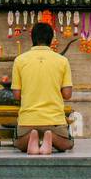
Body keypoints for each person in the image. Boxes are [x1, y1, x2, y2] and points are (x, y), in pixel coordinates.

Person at [11, 20, 74, 156]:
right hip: (54, 120)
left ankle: (32, 138)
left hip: (28, 120)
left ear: (32, 38)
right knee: (68, 144)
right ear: (51, 39)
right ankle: (50, 136)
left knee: (17, 142)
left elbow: (16, 95)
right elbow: (67, 94)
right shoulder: (62, 61)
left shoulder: (20, 60)